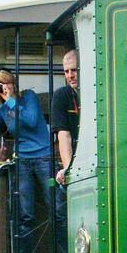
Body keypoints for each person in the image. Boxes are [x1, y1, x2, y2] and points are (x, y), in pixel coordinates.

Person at [0, 69, 64, 253]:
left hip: (44, 158)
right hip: (23, 162)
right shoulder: (2, 109)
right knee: (25, 216)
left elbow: (31, 120)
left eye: (6, 83)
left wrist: (10, 100)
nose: (4, 88)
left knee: (57, 211)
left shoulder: (28, 97)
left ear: (13, 84)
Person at [52, 50, 80, 186]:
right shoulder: (61, 95)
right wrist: (68, 169)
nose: (70, 75)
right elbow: (63, 135)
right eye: (66, 71)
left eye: (74, 70)